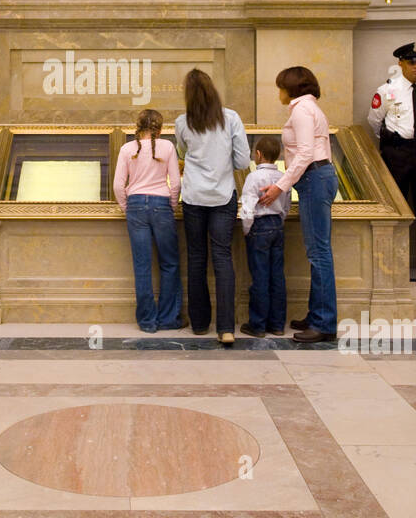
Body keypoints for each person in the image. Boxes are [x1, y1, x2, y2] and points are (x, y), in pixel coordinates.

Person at [258, 66, 338, 343]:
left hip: (314, 177)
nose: (278, 92)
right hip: (316, 177)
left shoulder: (302, 111)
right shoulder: (310, 108)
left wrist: (280, 186)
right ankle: (317, 314)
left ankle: (325, 322)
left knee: (319, 253)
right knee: (318, 251)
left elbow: (304, 153)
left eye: (280, 87)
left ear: (290, 88)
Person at [175, 69, 250, 345]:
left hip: (194, 196)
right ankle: (226, 328)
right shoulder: (231, 118)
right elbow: (242, 162)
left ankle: (199, 323)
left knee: (196, 258)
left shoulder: (182, 123)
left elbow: (182, 153)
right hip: (222, 196)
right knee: (222, 258)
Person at [367, 41, 416, 275]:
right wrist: (395, 142)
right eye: (412, 62)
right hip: (397, 153)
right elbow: (374, 120)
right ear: (400, 63)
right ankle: (391, 261)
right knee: (395, 206)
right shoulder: (387, 91)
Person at [113, 108, 182, 333]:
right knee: (169, 263)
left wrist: (127, 207)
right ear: (160, 129)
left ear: (138, 126)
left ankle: (147, 321)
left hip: (135, 206)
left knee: (142, 265)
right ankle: (168, 318)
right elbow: (176, 183)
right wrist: (170, 206)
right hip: (161, 205)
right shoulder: (168, 147)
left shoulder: (126, 149)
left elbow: (117, 185)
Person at [239, 136, 291, 337]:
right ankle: (277, 324)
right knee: (277, 275)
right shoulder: (282, 177)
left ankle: (258, 325)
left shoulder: (253, 178)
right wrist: (280, 220)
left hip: (259, 227)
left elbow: (248, 206)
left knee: (259, 276)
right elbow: (286, 205)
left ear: (257, 155)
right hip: (277, 225)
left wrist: (246, 228)